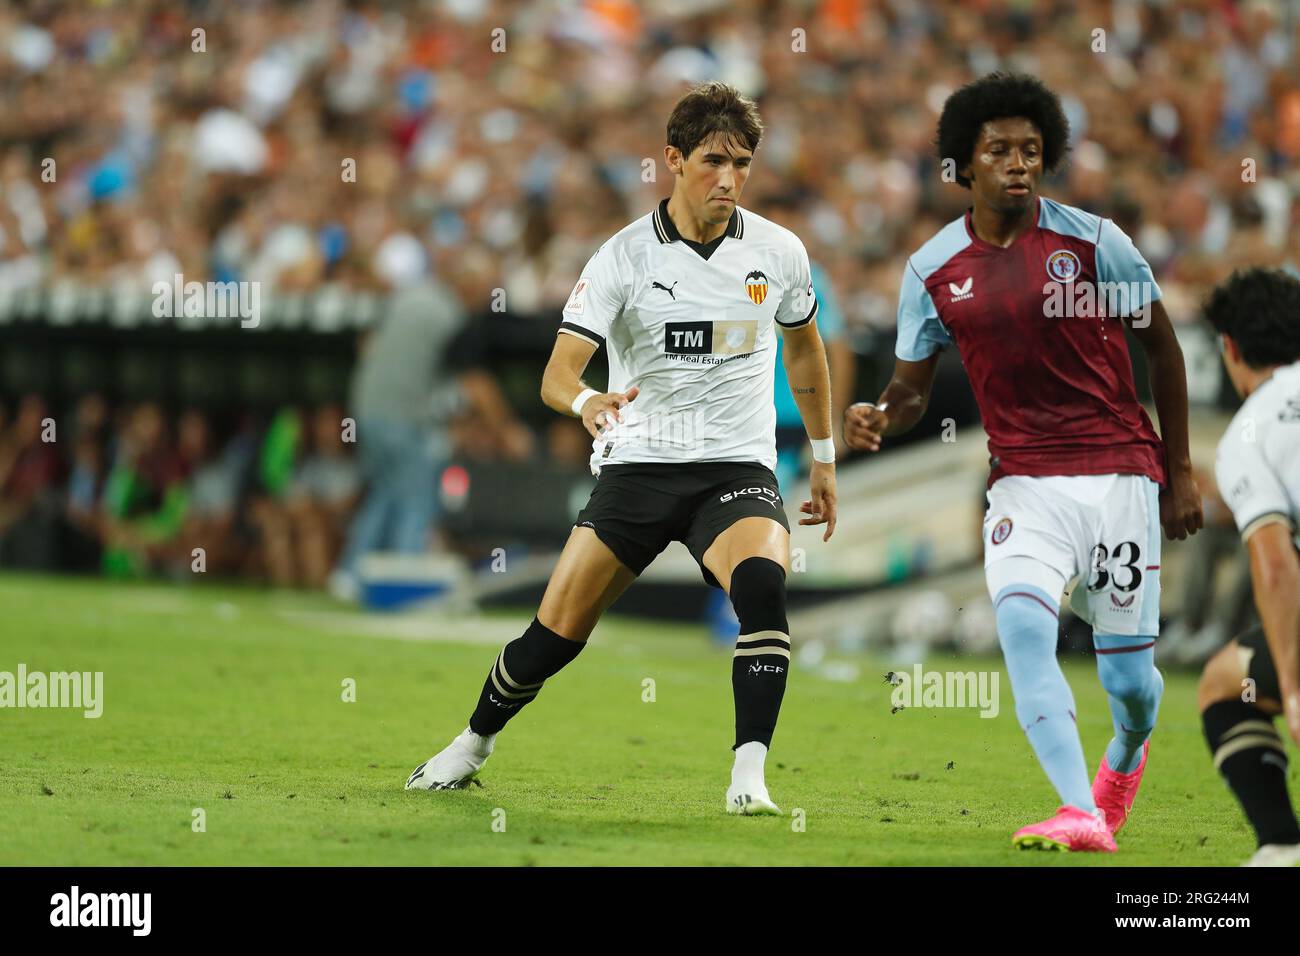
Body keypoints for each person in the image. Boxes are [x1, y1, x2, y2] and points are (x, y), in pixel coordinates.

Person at [405, 81, 837, 815]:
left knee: (765, 587)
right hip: (638, 465)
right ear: (672, 158)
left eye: (742, 163)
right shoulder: (623, 257)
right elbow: (556, 375)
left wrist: (823, 457)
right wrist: (587, 401)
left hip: (735, 467)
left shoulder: (780, 253)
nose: (728, 178)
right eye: (712, 161)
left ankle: (748, 776)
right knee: (554, 635)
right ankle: (472, 742)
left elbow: (804, 355)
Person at [844, 72, 1202, 851]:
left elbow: (1164, 353)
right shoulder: (932, 270)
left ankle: (1127, 753)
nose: (1019, 163)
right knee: (1022, 627)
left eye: (1032, 150)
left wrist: (1179, 473)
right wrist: (880, 413)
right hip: (1022, 484)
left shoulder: (1096, 243)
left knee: (1130, 688)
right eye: (999, 149)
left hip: (1117, 474)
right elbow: (910, 390)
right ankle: (1079, 810)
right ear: (962, 165)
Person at [1196, 266, 1300, 867]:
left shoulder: (1252, 431)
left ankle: (1283, 846)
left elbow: (1276, 563)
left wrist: (1291, 685)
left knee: (1222, 684)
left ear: (1231, 349)